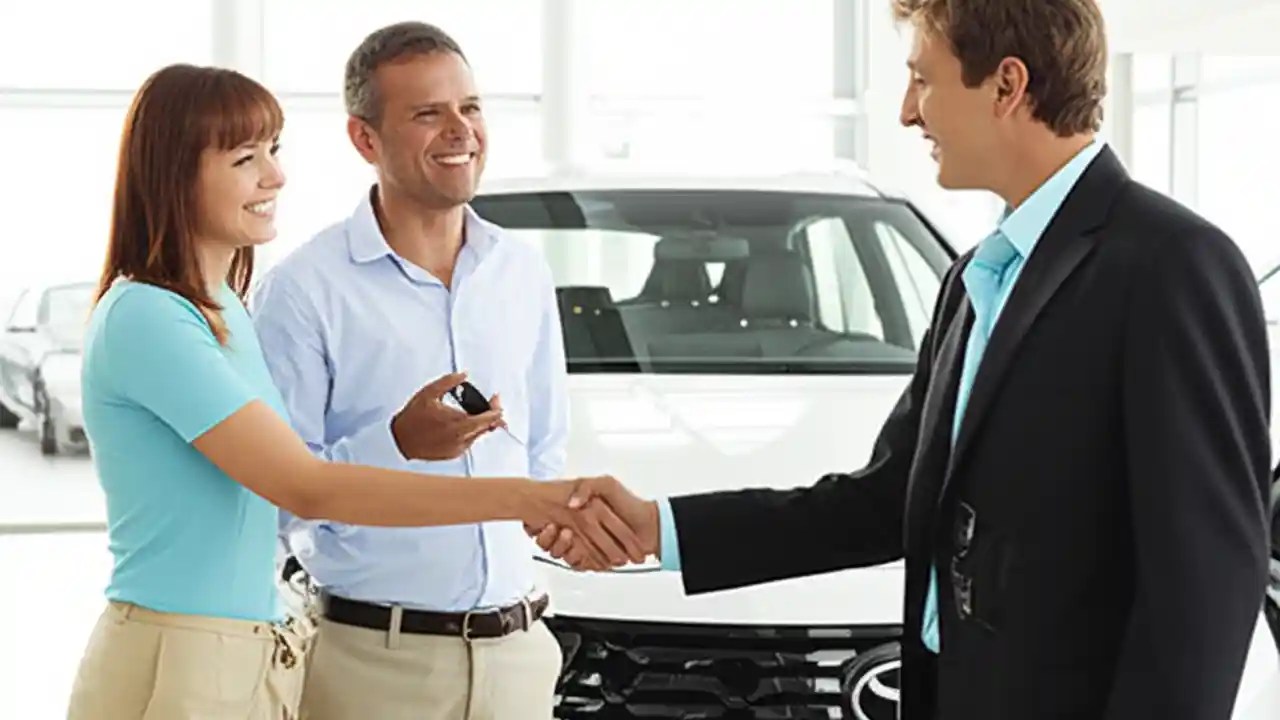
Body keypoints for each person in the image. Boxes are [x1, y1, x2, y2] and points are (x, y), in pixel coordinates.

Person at [536, 1, 1274, 718]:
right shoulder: (979, 276)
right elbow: (885, 502)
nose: (907, 112)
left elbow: (1207, 580)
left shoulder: (1174, 265)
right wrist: (658, 529)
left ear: (1008, 86)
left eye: (923, 78)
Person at [65, 63, 640, 720]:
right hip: (183, 655)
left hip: (251, 650)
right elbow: (303, 488)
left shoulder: (222, 309)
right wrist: (532, 498)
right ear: (174, 174)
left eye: (274, 151)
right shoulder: (147, 316)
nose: (274, 176)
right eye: (244, 158)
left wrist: (410, 446)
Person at [249, 21, 602, 720]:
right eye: (428, 113)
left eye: (469, 107)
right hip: (371, 663)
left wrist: (556, 522)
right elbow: (278, 494)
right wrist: (398, 442)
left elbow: (541, 449)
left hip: (519, 657)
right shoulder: (303, 290)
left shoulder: (522, 272)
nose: (461, 130)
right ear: (365, 140)